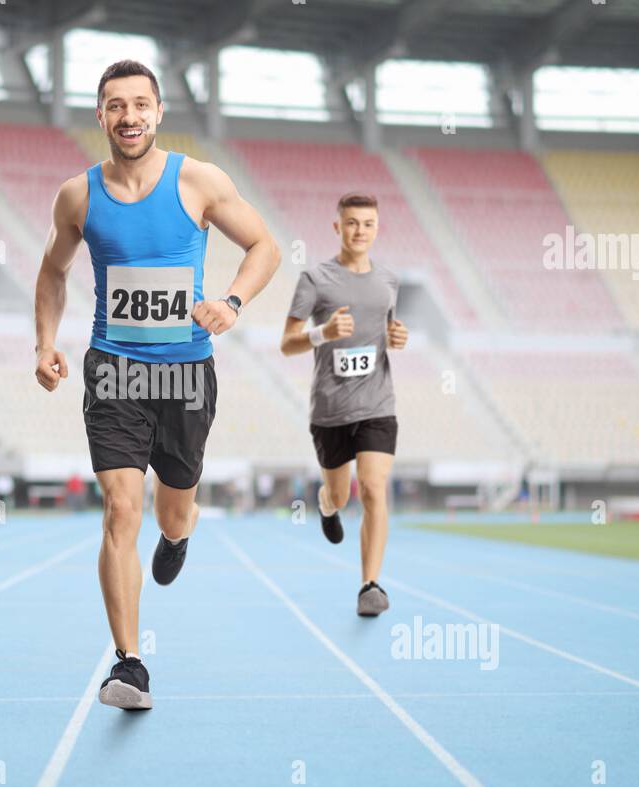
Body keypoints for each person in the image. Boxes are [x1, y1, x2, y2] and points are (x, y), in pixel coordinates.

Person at [33, 59, 280, 710]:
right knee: (121, 509)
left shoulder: (198, 181)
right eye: (116, 105)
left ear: (159, 111)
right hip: (113, 369)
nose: (129, 116)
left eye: (140, 104)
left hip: (187, 373)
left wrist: (231, 301)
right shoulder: (77, 196)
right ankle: (130, 663)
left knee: (172, 510)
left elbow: (265, 247)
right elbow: (52, 273)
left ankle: (179, 535)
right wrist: (43, 343)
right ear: (101, 115)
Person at [280, 192, 409, 617]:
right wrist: (324, 333)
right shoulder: (315, 280)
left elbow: (388, 330)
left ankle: (370, 585)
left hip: (377, 404)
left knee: (373, 488)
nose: (360, 231)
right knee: (339, 492)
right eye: (352, 223)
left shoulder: (389, 280)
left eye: (368, 224)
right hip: (331, 409)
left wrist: (398, 337)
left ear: (377, 228)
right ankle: (326, 504)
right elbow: (287, 344)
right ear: (337, 227)